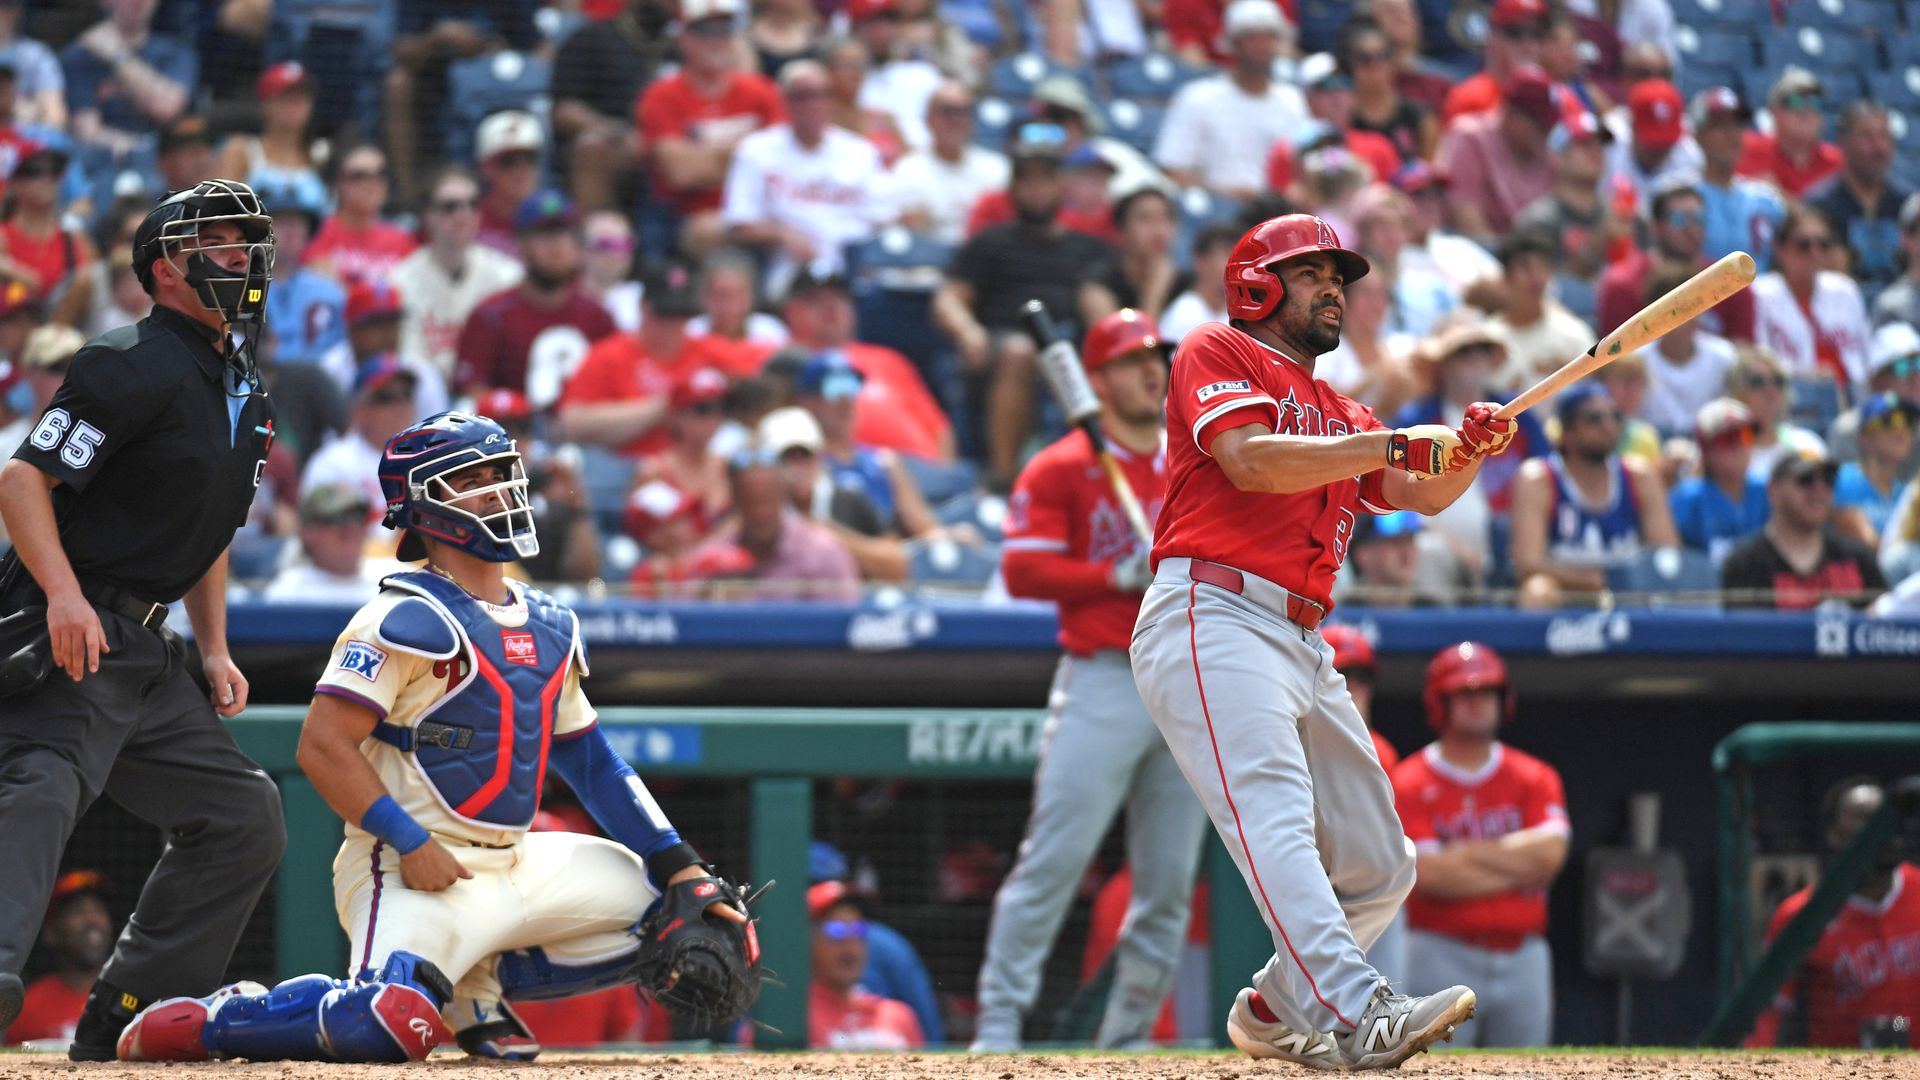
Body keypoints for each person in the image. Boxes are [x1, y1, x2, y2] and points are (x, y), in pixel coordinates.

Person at [114, 410, 751, 1064]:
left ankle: (471, 989)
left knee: (702, 919)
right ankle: (218, 1020)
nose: (499, 492)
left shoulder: (552, 622)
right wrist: (408, 838)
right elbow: (321, 747)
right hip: (412, 864)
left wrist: (683, 867)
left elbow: (593, 763)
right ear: (424, 504)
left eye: (501, 475)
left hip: (517, 858)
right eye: (472, 479)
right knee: (384, 1027)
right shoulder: (401, 615)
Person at [1128, 214, 1502, 1070]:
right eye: (1311, 273)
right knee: (1277, 819)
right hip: (1212, 613)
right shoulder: (1216, 350)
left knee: (1381, 861)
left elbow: (1420, 492)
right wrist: (1387, 440)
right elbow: (1252, 460)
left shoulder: (1341, 408)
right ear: (1257, 285)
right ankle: (1358, 1009)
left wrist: (1472, 452)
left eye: (1341, 275)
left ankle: (1272, 1009)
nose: (1334, 287)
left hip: (1301, 634)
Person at [0, 179, 284, 1059]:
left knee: (244, 818)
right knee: (39, 788)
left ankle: (127, 1011)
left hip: (149, 651)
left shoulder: (244, 386)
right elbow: (22, 480)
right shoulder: (127, 359)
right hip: (68, 633)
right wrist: (63, 595)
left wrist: (216, 646)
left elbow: (209, 529)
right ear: (167, 271)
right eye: (222, 246)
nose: (245, 260)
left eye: (249, 245)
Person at [971, 310, 1207, 1052]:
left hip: (1184, 680)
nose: (1151, 369)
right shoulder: (1062, 464)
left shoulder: (1191, 459)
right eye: (1134, 359)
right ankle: (1000, 1025)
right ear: (1095, 378)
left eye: (1158, 357)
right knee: (1056, 860)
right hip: (1103, 675)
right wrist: (1113, 573)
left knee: (1168, 883)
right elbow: (1021, 567)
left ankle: (1128, 1037)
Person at [1390, 643, 1569, 1049]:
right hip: (1439, 950)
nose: (1479, 703)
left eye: (1487, 693)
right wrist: (1513, 864)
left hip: (1525, 954)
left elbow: (1549, 858)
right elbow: (1429, 875)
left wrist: (1464, 855)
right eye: (1465, 694)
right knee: (1436, 1073)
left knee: (1528, 1074)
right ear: (1441, 702)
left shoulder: (1534, 775)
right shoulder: (1409, 779)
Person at [933, 123, 1113, 488]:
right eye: (1027, 181)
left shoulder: (1090, 249)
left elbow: (1104, 303)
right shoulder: (991, 243)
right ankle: (1003, 477)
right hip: (1003, 344)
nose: (1037, 190)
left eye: (1045, 180)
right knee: (1021, 351)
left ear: (1060, 187)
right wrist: (968, 333)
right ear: (1013, 188)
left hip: (1072, 344)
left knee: (1112, 360)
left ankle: (1104, 474)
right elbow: (948, 298)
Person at [1747, 778, 1920, 1050]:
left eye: (1886, 815)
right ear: (1834, 835)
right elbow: (1766, 1017)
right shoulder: (1801, 916)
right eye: (1864, 818)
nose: (1880, 828)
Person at [722, 60, 888, 297]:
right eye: (803, 96)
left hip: (853, 266)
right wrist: (783, 235)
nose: (813, 104)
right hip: (787, 271)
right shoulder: (756, 150)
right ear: (785, 100)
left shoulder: (860, 152)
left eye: (822, 95)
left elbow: (881, 218)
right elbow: (737, 224)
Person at [635, 0, 786, 259]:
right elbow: (682, 174)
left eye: (724, 31)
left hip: (761, 212)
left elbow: (781, 163)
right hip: (685, 218)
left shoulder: (762, 91)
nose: (716, 41)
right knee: (708, 228)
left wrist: (706, 156)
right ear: (683, 38)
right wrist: (749, 150)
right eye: (704, 32)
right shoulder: (661, 95)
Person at [1509, 382, 1678, 606]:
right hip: (1567, 591)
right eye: (1593, 419)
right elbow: (1528, 563)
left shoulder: (1639, 475)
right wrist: (1591, 581)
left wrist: (1620, 583)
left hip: (1631, 591)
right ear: (1567, 432)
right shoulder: (1539, 478)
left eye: (1615, 417)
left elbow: (1667, 554)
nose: (1608, 426)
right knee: (1537, 591)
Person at [453, 190, 618, 400]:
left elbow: (617, 387)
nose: (559, 245)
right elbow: (472, 394)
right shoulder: (490, 316)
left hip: (584, 428)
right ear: (522, 243)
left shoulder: (598, 318)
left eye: (567, 233)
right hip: (508, 429)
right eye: (546, 234)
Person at [1153, 0, 1307, 203]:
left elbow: (1303, 172)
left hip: (1275, 212)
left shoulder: (1293, 101)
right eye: (1251, 37)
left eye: (1269, 37)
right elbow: (1172, 170)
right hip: (1214, 209)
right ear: (1233, 44)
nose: (1261, 46)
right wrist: (1224, 194)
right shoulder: (1197, 97)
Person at [390, 167, 525, 382]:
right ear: (427, 215)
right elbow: (409, 364)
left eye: (472, 205)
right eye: (450, 207)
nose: (463, 215)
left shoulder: (508, 276)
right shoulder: (400, 281)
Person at [686, 448, 862, 602]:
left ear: (785, 496)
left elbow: (841, 625)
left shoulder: (823, 552)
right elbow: (684, 622)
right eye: (751, 500)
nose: (761, 512)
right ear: (735, 501)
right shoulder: (712, 556)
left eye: (768, 500)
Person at [1721, 450, 1887, 610]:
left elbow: (1888, 625)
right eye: (1805, 479)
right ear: (1774, 490)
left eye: (1828, 479)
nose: (1819, 489)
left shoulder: (1857, 557)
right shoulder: (1745, 564)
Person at [1595, 177, 1754, 345]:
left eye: (1699, 218)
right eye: (1679, 219)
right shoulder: (1623, 284)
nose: (1690, 227)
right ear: (1655, 228)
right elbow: (1616, 360)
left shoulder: (1732, 284)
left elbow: (1743, 353)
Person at [1751, 206, 1872, 401]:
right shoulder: (1761, 294)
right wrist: (1809, 375)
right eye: (1804, 245)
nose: (1815, 252)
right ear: (1781, 250)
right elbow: (1760, 359)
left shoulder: (1844, 290)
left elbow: (1866, 356)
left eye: (1823, 244)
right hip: (1792, 398)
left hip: (1851, 395)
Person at [1436, 67, 1559, 243]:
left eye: (1549, 127)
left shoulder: (1547, 156)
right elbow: (1464, 216)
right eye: (1539, 125)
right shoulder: (1470, 137)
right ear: (1509, 111)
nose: (1545, 133)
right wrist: (1509, 261)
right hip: (1468, 254)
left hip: (1528, 260)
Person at [60, 0, 196, 155]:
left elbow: (167, 107)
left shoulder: (175, 53)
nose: (138, 2)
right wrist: (133, 146)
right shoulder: (81, 55)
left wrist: (117, 56)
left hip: (164, 160)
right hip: (102, 161)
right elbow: (86, 132)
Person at [806, 882, 923, 1049]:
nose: (849, 943)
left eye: (857, 930)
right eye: (835, 930)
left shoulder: (898, 1016)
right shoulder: (793, 1017)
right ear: (808, 939)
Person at [1, 871, 113, 1046]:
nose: (92, 919)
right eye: (78, 911)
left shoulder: (128, 1000)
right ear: (51, 932)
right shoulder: (26, 1008)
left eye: (98, 909)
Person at [890, 80, 1008, 245]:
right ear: (928, 119)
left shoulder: (997, 168)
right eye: (947, 111)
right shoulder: (908, 170)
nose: (955, 120)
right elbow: (916, 236)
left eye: (963, 112)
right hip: (927, 263)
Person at [300, 355, 418, 520]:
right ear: (358, 409)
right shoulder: (333, 464)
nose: (400, 406)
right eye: (386, 398)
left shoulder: (431, 460)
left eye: (407, 394)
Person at [1639, 264, 1741, 438]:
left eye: (1691, 306)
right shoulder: (1637, 361)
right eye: (1673, 310)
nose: (1682, 317)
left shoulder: (1724, 356)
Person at [1486, 229, 1594, 394]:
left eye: (1542, 267)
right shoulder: (1485, 340)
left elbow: (1592, 393)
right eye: (1526, 268)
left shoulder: (1573, 333)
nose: (1536, 278)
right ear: (1506, 277)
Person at [1690, 87, 1786, 271]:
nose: (1732, 134)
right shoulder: (1681, 196)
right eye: (1720, 126)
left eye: (1737, 125)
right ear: (1698, 136)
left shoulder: (1766, 199)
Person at [1668, 398, 1769, 567]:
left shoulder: (1767, 489)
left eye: (1746, 435)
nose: (1740, 446)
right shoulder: (1687, 498)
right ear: (1706, 450)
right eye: (1728, 439)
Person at [261, 484, 403, 603]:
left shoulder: (397, 577)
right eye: (337, 519)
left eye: (358, 518)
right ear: (308, 532)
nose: (351, 527)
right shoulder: (287, 591)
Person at [306, 144, 418, 288]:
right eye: (359, 176)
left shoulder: (404, 241)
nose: (372, 183)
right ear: (338, 182)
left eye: (381, 174)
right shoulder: (317, 233)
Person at [1081, 187, 1186, 328]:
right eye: (1145, 219)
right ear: (1121, 231)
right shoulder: (1098, 287)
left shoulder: (1187, 284)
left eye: (1166, 218)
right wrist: (1156, 289)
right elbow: (1134, 348)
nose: (1159, 230)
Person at [214, 62, 323, 196]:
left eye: (302, 97)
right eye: (286, 97)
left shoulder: (320, 156)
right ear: (265, 103)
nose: (295, 104)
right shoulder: (242, 151)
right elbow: (218, 208)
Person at [1829, 322, 1920, 482]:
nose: (1914, 376)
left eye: (1919, 364)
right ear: (1877, 378)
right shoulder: (1848, 430)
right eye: (1902, 366)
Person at [1728, 346, 1828, 486]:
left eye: (1778, 381)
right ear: (1737, 392)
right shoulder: (1726, 454)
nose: (1770, 390)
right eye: (1757, 382)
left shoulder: (1806, 444)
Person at [1736, 68, 1842, 200]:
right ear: (1774, 112)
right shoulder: (1744, 149)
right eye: (1795, 102)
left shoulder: (1839, 162)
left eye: (1815, 103)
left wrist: (1778, 195)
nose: (1806, 110)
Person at [1439, 0, 1546, 126]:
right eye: (1515, 32)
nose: (1528, 45)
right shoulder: (1470, 97)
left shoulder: (1556, 96)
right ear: (1492, 37)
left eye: (1536, 34)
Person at [1603, 79, 1701, 213]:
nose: (1659, 148)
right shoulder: (1608, 151)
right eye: (1653, 140)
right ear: (1632, 126)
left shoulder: (1689, 155)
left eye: (1666, 140)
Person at [1832, 393, 1918, 547]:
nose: (1901, 429)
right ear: (1864, 437)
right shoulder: (1844, 479)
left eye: (1909, 422)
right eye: (1887, 421)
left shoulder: (1904, 492)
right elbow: (1867, 544)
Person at [472, 111, 549, 258]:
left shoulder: (558, 213)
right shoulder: (469, 219)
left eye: (530, 159)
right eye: (509, 161)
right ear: (485, 168)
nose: (522, 170)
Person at [1160, 222, 1237, 344]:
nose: (1234, 265)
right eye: (1226, 255)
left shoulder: (1240, 315)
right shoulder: (1184, 313)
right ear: (1200, 262)